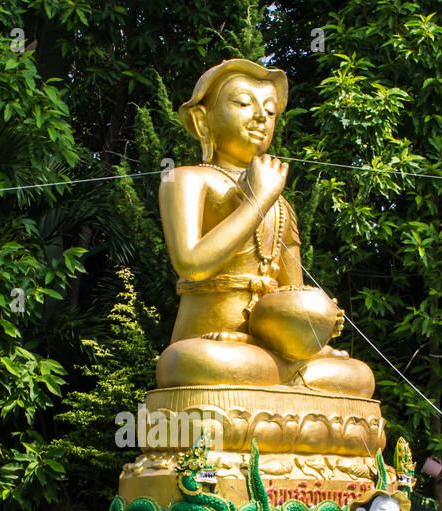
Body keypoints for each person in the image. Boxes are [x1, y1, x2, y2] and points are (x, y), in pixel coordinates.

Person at [158, 59, 375, 396]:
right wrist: (258, 199)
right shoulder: (185, 179)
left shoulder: (281, 203)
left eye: (270, 111)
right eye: (243, 103)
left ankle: (290, 377)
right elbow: (191, 263)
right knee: (193, 362)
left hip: (268, 350)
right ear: (203, 120)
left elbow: (293, 292)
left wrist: (318, 323)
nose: (260, 117)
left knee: (358, 377)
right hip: (209, 345)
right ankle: (291, 383)